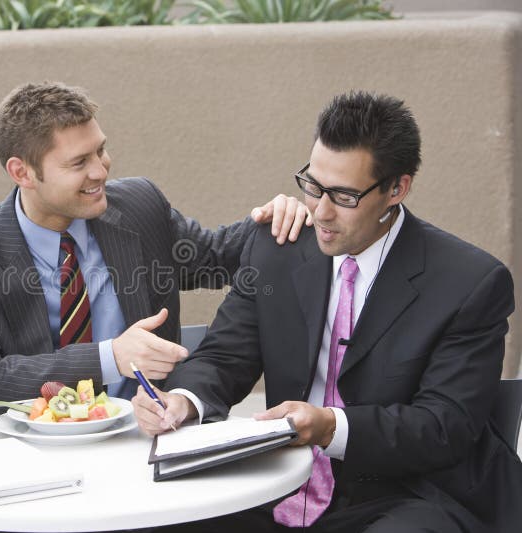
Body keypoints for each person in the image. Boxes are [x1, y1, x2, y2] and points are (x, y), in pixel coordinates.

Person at [133, 92, 522, 532]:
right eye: (313, 186)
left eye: (344, 196)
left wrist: (330, 426)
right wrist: (182, 402)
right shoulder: (276, 249)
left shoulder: (470, 282)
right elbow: (224, 356)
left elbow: (442, 426)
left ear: (397, 189)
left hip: (408, 493)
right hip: (279, 483)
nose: (320, 211)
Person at [0, 81, 310, 417]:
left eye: (100, 150)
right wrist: (109, 358)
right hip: (33, 453)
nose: (101, 170)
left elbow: (216, 258)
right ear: (21, 172)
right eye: (79, 162)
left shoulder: (140, 207)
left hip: (149, 432)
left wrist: (276, 217)